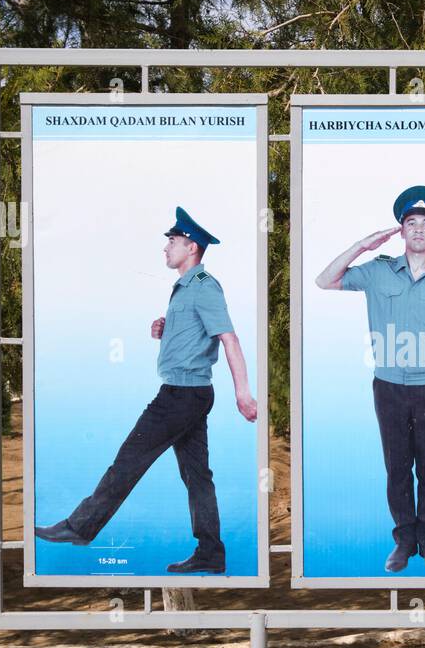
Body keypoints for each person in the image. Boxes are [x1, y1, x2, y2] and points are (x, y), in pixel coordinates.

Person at [35, 206, 258, 574]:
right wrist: (164, 329)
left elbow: (229, 338)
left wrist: (243, 393)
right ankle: (211, 552)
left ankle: (80, 527)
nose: (166, 247)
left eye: (173, 240)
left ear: (192, 247)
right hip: (190, 394)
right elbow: (194, 336)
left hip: (180, 397)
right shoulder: (184, 290)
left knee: (128, 460)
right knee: (197, 476)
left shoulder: (204, 287)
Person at [315, 185, 425, 574]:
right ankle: (404, 541)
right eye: (411, 222)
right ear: (401, 231)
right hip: (389, 387)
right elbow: (324, 280)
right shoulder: (377, 271)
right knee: (398, 468)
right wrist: (362, 245)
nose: (419, 229)